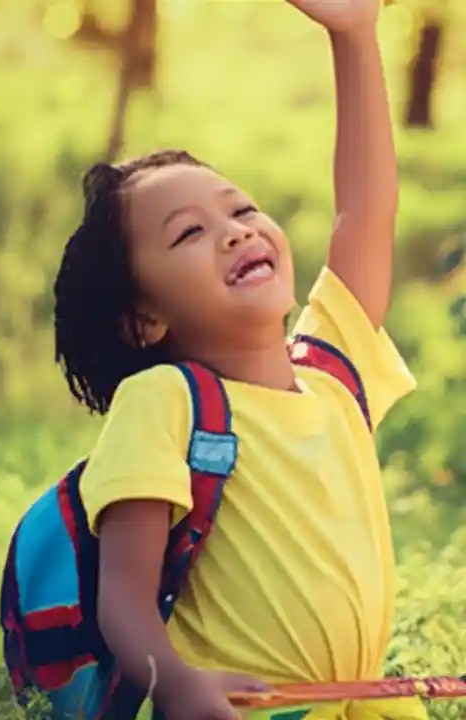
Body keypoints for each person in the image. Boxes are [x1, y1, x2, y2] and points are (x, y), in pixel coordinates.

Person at [50, 0, 426, 718]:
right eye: (190, 232)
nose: (234, 232)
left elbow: (366, 209)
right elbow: (122, 602)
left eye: (243, 210)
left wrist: (354, 34)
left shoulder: (333, 372)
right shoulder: (166, 400)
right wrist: (176, 681)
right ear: (144, 319)